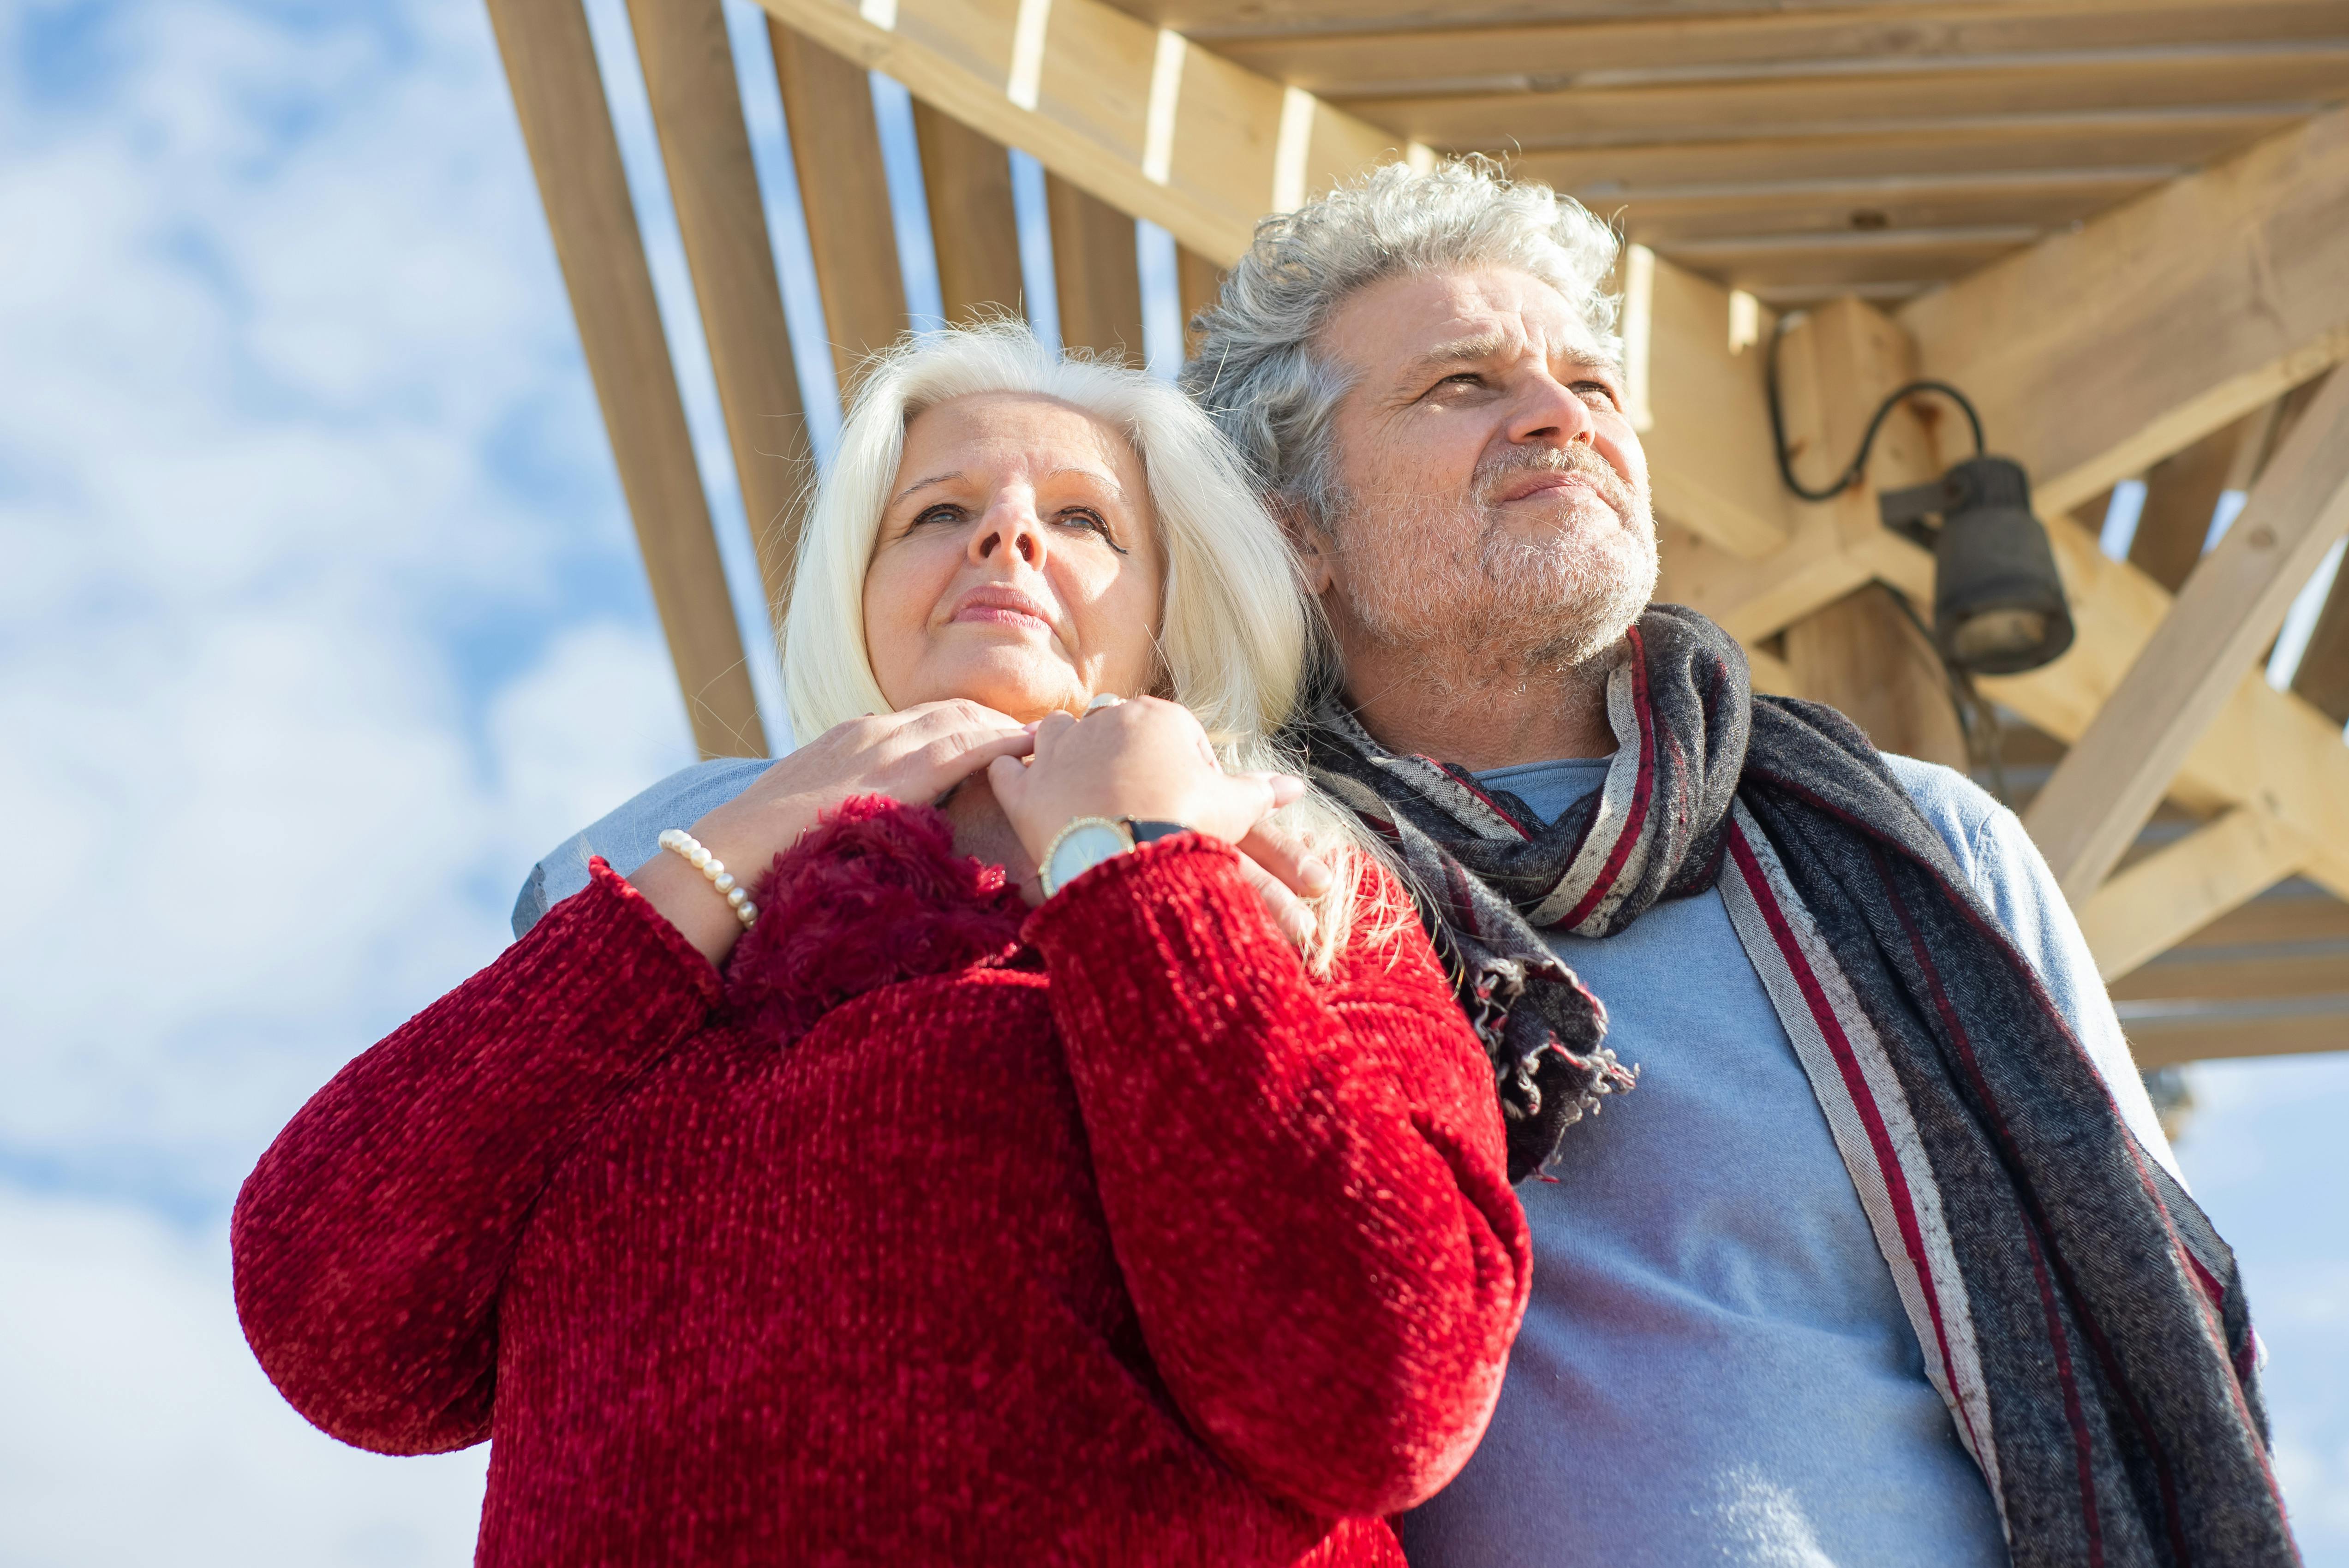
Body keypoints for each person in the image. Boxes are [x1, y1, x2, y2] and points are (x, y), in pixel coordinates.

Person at [526, 163, 2293, 1568]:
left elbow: (2162, 1330)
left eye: (1591, 382)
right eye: (1465, 386)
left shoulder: (1915, 850)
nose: (1560, 416)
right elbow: (599, 938)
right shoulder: (1179, 851)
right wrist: (791, 817)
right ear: (1289, 530)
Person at [232, 324, 1532, 1568]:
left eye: (1084, 520)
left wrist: (1130, 863)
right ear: (856, 598)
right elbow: (335, 1325)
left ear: (1172, 622)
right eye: (934, 513)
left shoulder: (1301, 900)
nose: (1006, 533)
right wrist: (733, 852)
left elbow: (1380, 1391)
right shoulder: (665, 940)